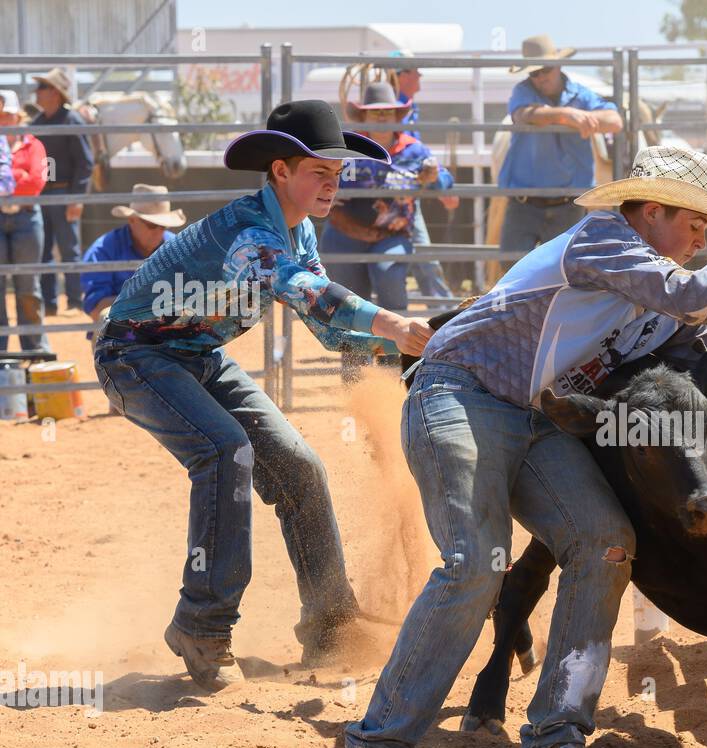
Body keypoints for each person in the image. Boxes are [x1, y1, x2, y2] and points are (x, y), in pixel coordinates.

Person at [342, 145, 707, 748]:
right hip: (459, 393)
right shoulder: (603, 241)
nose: (700, 243)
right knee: (475, 560)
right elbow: (688, 293)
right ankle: (377, 747)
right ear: (650, 212)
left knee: (606, 545)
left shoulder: (659, 291)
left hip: (538, 418)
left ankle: (555, 742)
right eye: (694, 226)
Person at [92, 100, 433, 691]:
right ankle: (203, 626)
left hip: (192, 356)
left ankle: (329, 622)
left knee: (298, 466)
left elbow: (326, 323)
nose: (332, 185)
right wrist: (393, 325)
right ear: (280, 170)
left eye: (337, 175)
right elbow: (299, 287)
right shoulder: (249, 232)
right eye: (319, 173)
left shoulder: (296, 229)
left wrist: (396, 349)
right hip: (135, 355)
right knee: (225, 451)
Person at [320, 82, 455, 383]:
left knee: (392, 284)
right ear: (364, 116)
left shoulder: (414, 149)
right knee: (348, 307)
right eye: (374, 112)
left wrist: (435, 176)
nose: (381, 116)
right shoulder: (346, 147)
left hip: (391, 236)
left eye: (387, 111)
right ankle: (354, 386)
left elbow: (444, 181)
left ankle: (393, 378)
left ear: (397, 114)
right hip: (345, 236)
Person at [498, 34, 623, 253]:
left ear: (558, 65)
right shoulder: (523, 91)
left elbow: (615, 121)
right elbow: (523, 115)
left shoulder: (580, 94)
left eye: (545, 69)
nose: (540, 77)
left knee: (562, 273)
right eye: (534, 73)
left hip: (568, 204)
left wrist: (579, 117)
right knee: (512, 268)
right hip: (524, 203)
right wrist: (568, 116)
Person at [389, 52, 459, 303]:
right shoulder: (400, 108)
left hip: (394, 192)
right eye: (415, 70)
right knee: (423, 257)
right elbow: (414, 156)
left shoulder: (404, 106)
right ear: (402, 75)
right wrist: (441, 183)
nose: (419, 75)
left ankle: (442, 309)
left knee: (415, 257)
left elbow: (414, 153)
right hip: (399, 195)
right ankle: (445, 312)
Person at [29, 67, 93, 315]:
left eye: (42, 87)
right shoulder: (38, 123)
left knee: (69, 250)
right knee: (42, 249)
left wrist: (76, 198)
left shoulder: (71, 120)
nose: (37, 92)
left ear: (55, 93)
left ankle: (75, 302)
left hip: (64, 193)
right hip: (42, 194)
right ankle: (50, 303)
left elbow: (85, 163)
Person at [81, 184, 185, 326]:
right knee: (105, 316)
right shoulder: (103, 250)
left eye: (163, 226)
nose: (159, 231)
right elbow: (96, 308)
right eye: (152, 225)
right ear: (132, 220)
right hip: (121, 330)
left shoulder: (177, 247)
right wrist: (147, 303)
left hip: (168, 331)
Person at [0, 88, 49, 356]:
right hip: (18, 217)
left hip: (26, 217)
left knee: (28, 286)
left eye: (7, 115)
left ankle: (34, 351)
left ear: (17, 117)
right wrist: (20, 174)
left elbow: (36, 184)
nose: (3, 121)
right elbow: (27, 180)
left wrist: (9, 178)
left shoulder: (34, 144)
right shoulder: (32, 146)